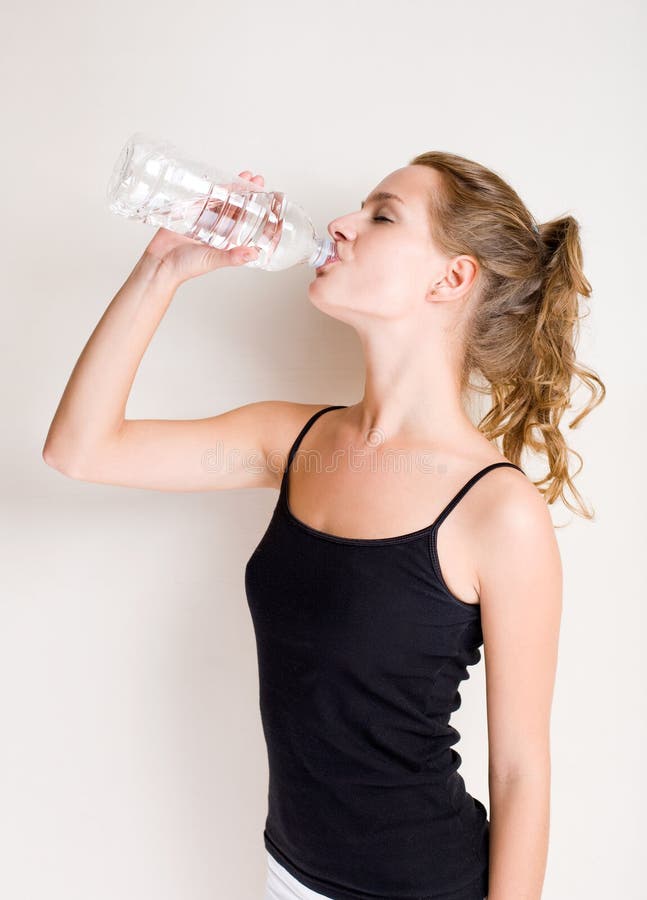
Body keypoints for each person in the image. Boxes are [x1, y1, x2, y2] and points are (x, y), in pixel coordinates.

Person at [43, 154, 605, 900]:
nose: (340, 223)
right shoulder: (291, 442)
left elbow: (520, 772)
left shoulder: (497, 512)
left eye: (381, 215)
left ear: (451, 279)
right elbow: (82, 449)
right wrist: (162, 272)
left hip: (421, 884)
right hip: (288, 871)